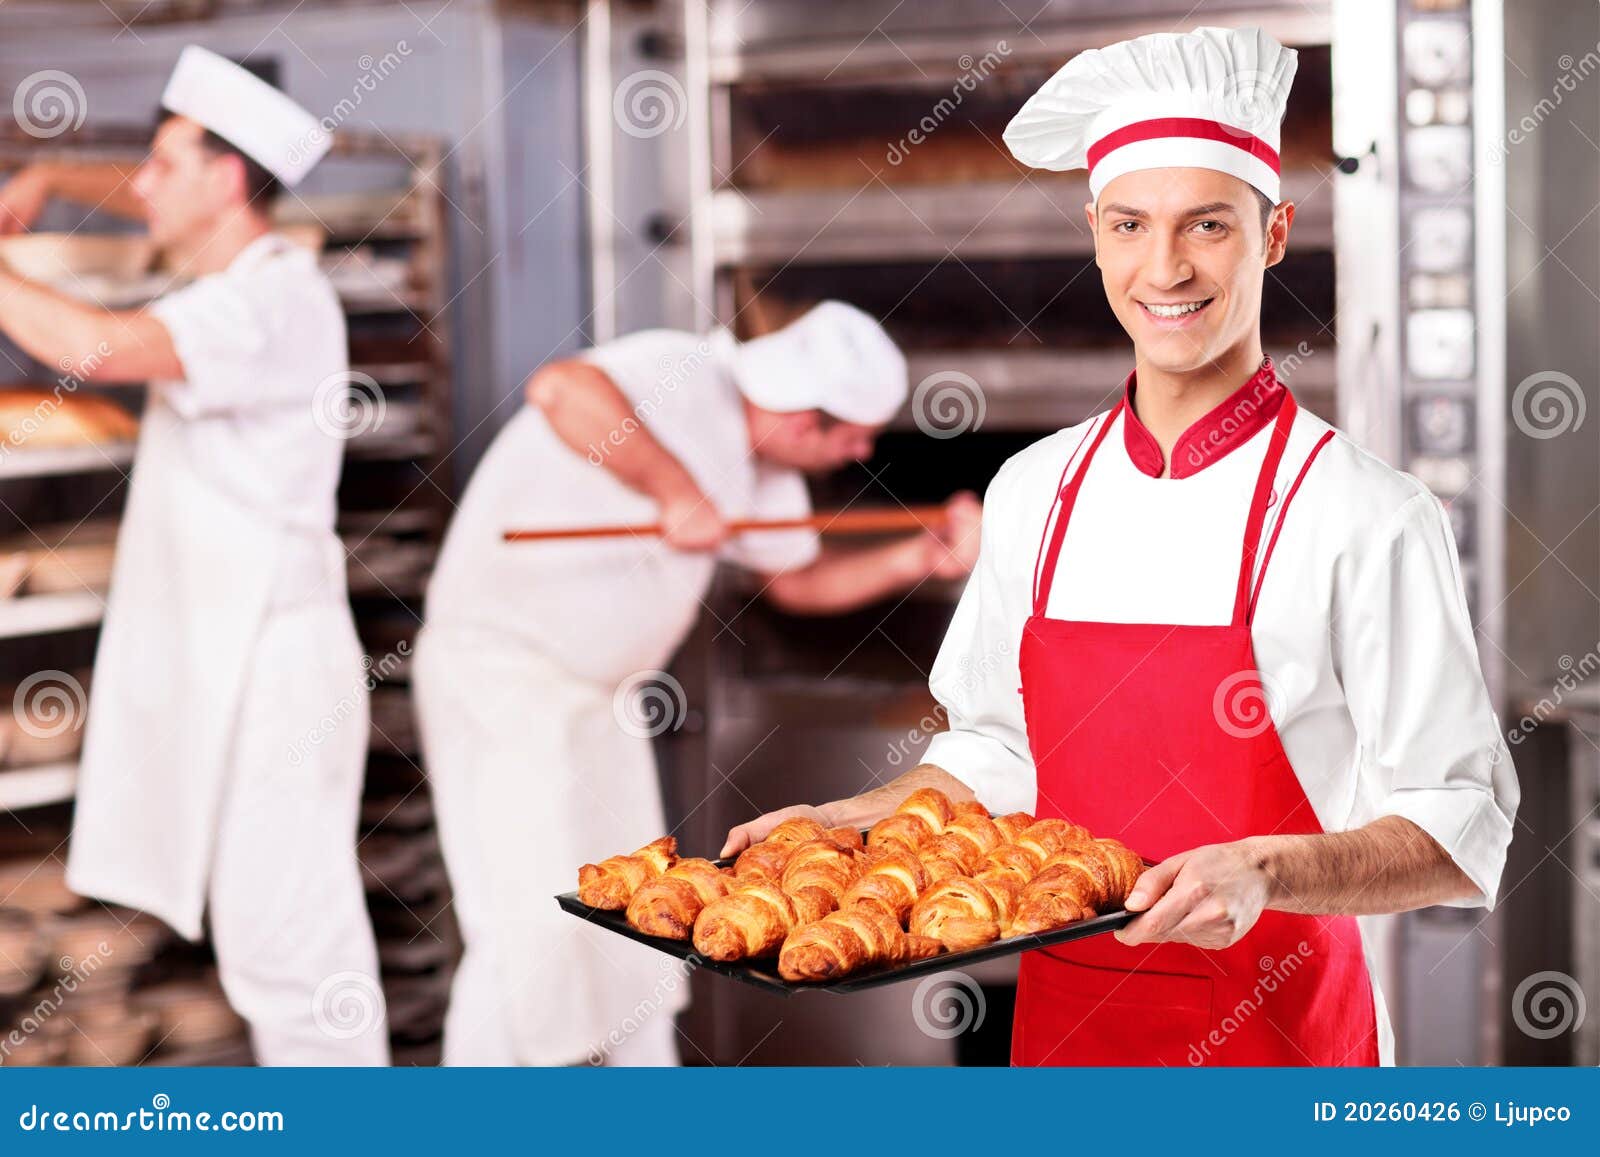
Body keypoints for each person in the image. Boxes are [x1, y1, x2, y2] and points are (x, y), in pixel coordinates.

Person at [722, 27, 1518, 1067]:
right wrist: (852, 820)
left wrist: (1263, 872)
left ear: (1273, 233)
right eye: (1131, 224)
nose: (1165, 267)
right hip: (1070, 1043)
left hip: (1277, 1047)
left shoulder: (1364, 511)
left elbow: (1458, 821)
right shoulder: (1035, 490)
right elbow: (994, 750)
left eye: (1208, 225)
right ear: (1093, 232)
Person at [414, 301, 982, 1065]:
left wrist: (916, 558)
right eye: (853, 434)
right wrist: (675, 487)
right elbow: (560, 388)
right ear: (803, 418)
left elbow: (799, 581)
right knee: (529, 927)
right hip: (504, 683)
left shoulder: (766, 469)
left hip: (598, 706)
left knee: (637, 918)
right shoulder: (682, 374)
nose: (862, 452)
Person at [0, 46, 387, 1064]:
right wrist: (46, 180)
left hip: (275, 667)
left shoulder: (267, 300)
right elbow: (147, 196)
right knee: (269, 931)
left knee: (291, 948)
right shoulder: (246, 267)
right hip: (241, 656)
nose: (140, 189)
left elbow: (105, 349)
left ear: (223, 181)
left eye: (164, 167)